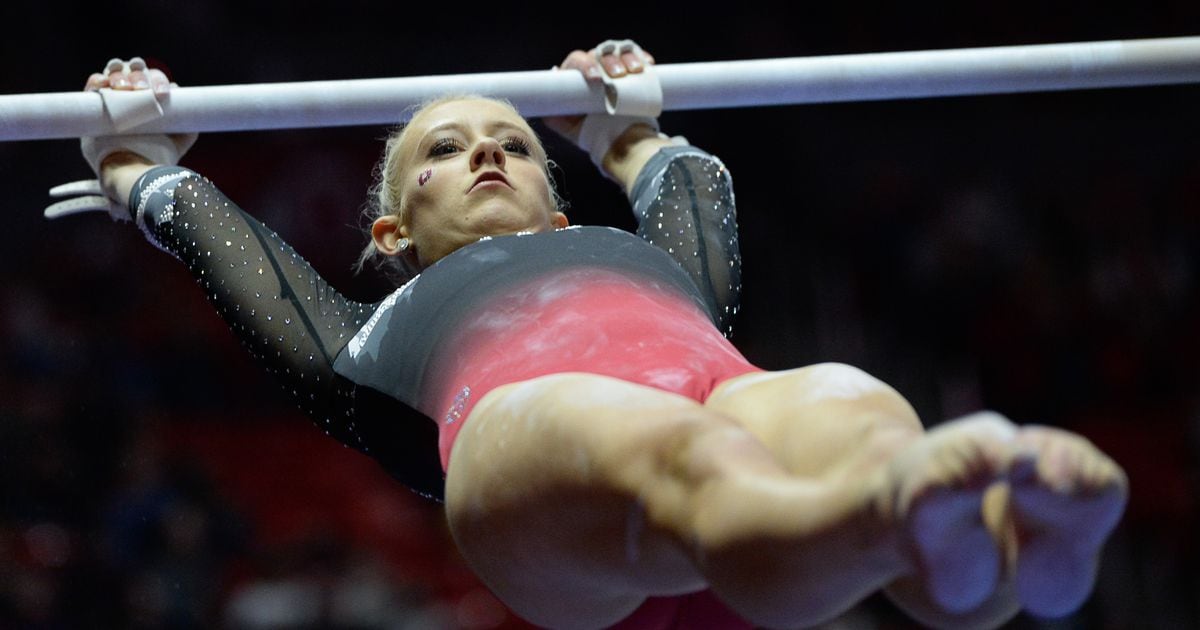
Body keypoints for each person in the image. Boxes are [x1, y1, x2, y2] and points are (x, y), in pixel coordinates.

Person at [50, 43, 1128, 630]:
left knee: (850, 399)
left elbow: (694, 183)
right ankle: (902, 516)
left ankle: (1004, 564)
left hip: (721, 390)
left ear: (556, 201)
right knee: (685, 454)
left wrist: (626, 128)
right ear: (390, 229)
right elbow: (243, 261)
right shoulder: (367, 335)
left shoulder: (653, 267)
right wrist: (141, 165)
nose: (487, 155)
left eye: (514, 143)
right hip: (535, 461)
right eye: (444, 151)